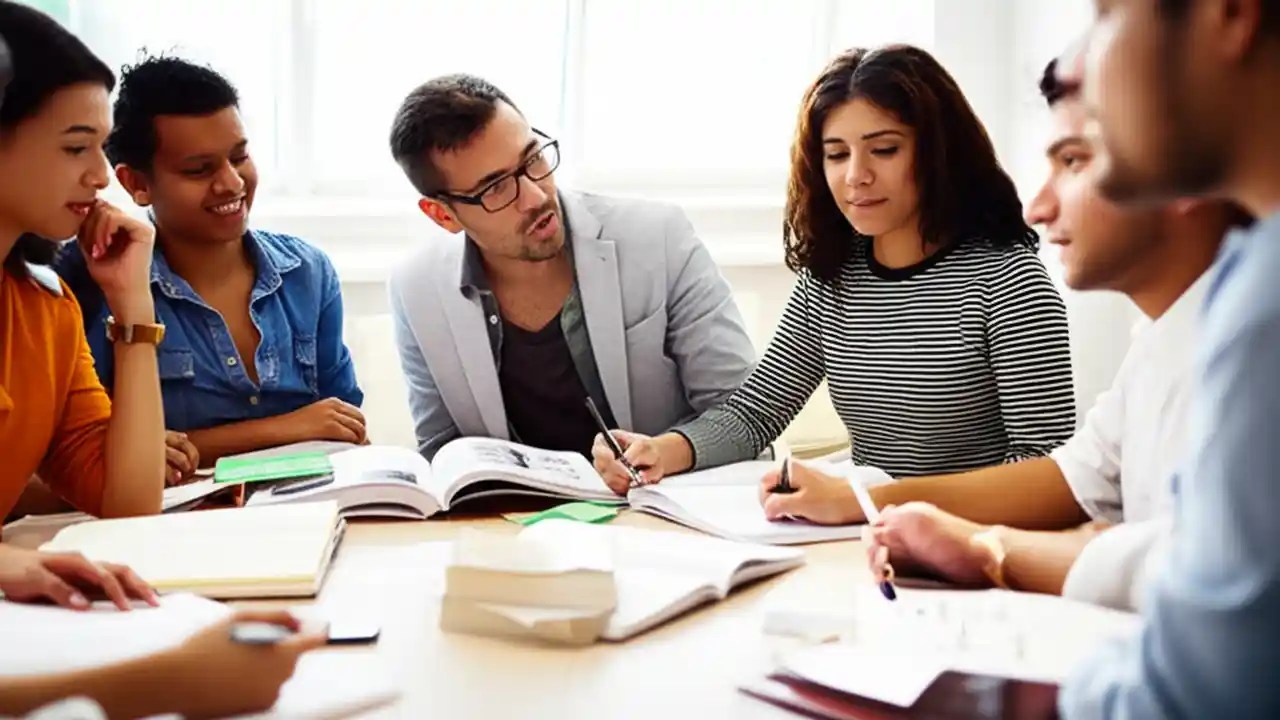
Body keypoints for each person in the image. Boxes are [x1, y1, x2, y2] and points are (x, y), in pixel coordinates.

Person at [792, 59, 1239, 610]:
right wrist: (973, 544)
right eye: (836, 154)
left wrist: (978, 545)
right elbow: (1075, 477)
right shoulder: (1158, 336)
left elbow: (1199, 584)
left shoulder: (1247, 354)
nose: (1038, 206)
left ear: (1184, 173)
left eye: (1074, 161)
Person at [0, 4, 323, 717]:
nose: (100, 179)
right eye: (74, 148)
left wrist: (133, 308)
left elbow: (130, 499)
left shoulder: (45, 306)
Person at [594, 45, 1076, 494]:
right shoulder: (831, 276)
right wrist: (659, 451)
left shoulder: (1009, 279)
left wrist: (876, 502)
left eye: (884, 150)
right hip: (864, 534)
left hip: (973, 547)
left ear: (937, 153)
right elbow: (755, 411)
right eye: (837, 154)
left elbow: (1046, 467)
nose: (855, 175)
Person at [1056, 0, 1280, 717]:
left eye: (1110, 12)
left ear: (1230, 13)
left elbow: (1194, 699)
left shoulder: (1263, 303)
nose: (1077, 68)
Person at [387, 74, 756, 461]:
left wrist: (663, 455)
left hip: (662, 505)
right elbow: (442, 452)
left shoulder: (658, 238)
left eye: (532, 159)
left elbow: (746, 414)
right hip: (514, 519)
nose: (534, 195)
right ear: (443, 215)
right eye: (495, 188)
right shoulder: (416, 289)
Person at [55, 56, 364, 482]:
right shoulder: (97, 289)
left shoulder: (307, 273)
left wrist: (198, 444)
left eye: (239, 157)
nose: (233, 183)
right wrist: (284, 428)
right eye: (199, 170)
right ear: (136, 184)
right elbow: (105, 457)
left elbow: (343, 426)